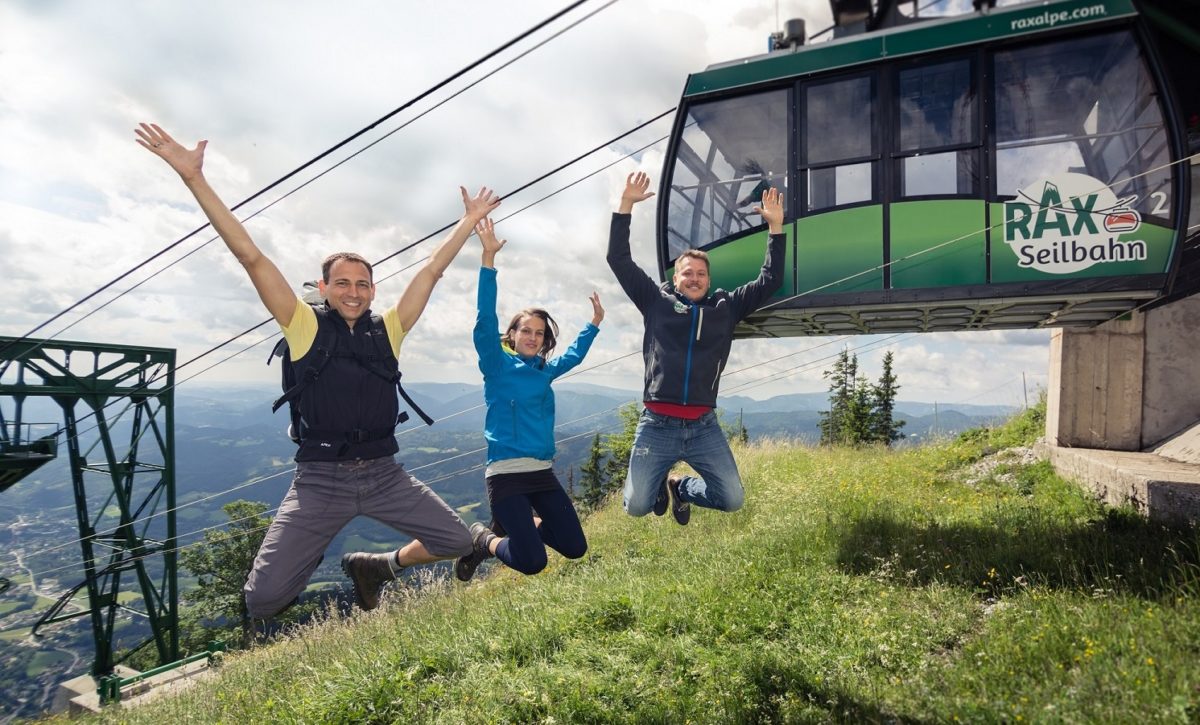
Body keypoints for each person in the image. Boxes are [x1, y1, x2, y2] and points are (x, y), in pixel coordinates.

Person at [136, 122, 498, 616]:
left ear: (373, 290)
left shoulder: (387, 330)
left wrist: (468, 221)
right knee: (263, 600)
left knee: (457, 540)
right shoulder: (303, 327)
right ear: (324, 288)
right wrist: (194, 179)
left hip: (384, 473)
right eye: (342, 283)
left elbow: (431, 270)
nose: (354, 291)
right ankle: (304, 567)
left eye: (363, 283)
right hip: (320, 480)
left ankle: (376, 565)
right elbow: (251, 257)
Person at [606, 171, 784, 525]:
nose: (694, 278)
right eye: (687, 273)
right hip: (657, 424)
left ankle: (680, 488)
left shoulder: (726, 308)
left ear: (709, 280)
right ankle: (654, 484)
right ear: (676, 278)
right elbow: (619, 259)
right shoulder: (654, 301)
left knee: (732, 499)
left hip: (703, 426)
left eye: (701, 274)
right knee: (637, 506)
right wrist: (625, 205)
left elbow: (770, 280)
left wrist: (775, 228)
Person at [453, 218, 601, 581]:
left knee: (575, 547)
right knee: (533, 562)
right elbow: (484, 320)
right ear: (513, 334)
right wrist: (488, 260)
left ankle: (524, 525)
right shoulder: (496, 365)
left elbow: (573, 357)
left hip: (541, 473)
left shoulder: (544, 371)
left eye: (540, 333)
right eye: (526, 331)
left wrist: (594, 324)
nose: (533, 337)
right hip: (505, 476)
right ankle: (484, 539)